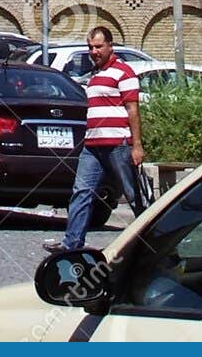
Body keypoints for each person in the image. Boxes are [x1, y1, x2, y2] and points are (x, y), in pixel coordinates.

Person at [53, 27, 146, 254]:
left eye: (98, 46)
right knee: (81, 192)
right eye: (90, 47)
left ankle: (154, 241)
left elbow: (133, 110)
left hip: (118, 145)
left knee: (134, 194)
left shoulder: (123, 72)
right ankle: (72, 243)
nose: (94, 51)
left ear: (110, 46)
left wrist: (137, 145)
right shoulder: (94, 75)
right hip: (92, 146)